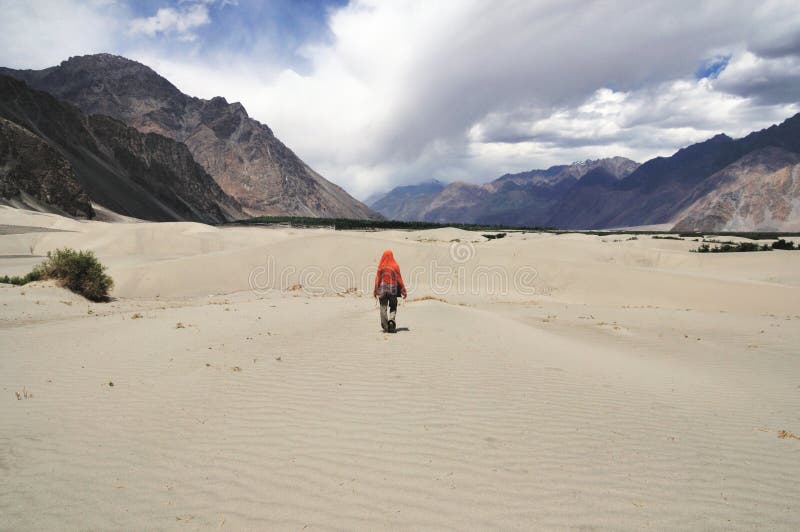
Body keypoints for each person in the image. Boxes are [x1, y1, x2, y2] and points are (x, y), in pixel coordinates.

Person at [373, 249, 407, 333]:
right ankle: (391, 320)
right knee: (393, 306)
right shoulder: (395, 266)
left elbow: (377, 279)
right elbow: (399, 279)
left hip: (382, 290)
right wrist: (403, 290)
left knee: (383, 307)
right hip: (393, 290)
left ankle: (385, 325)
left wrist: (375, 290)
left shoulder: (381, 266)